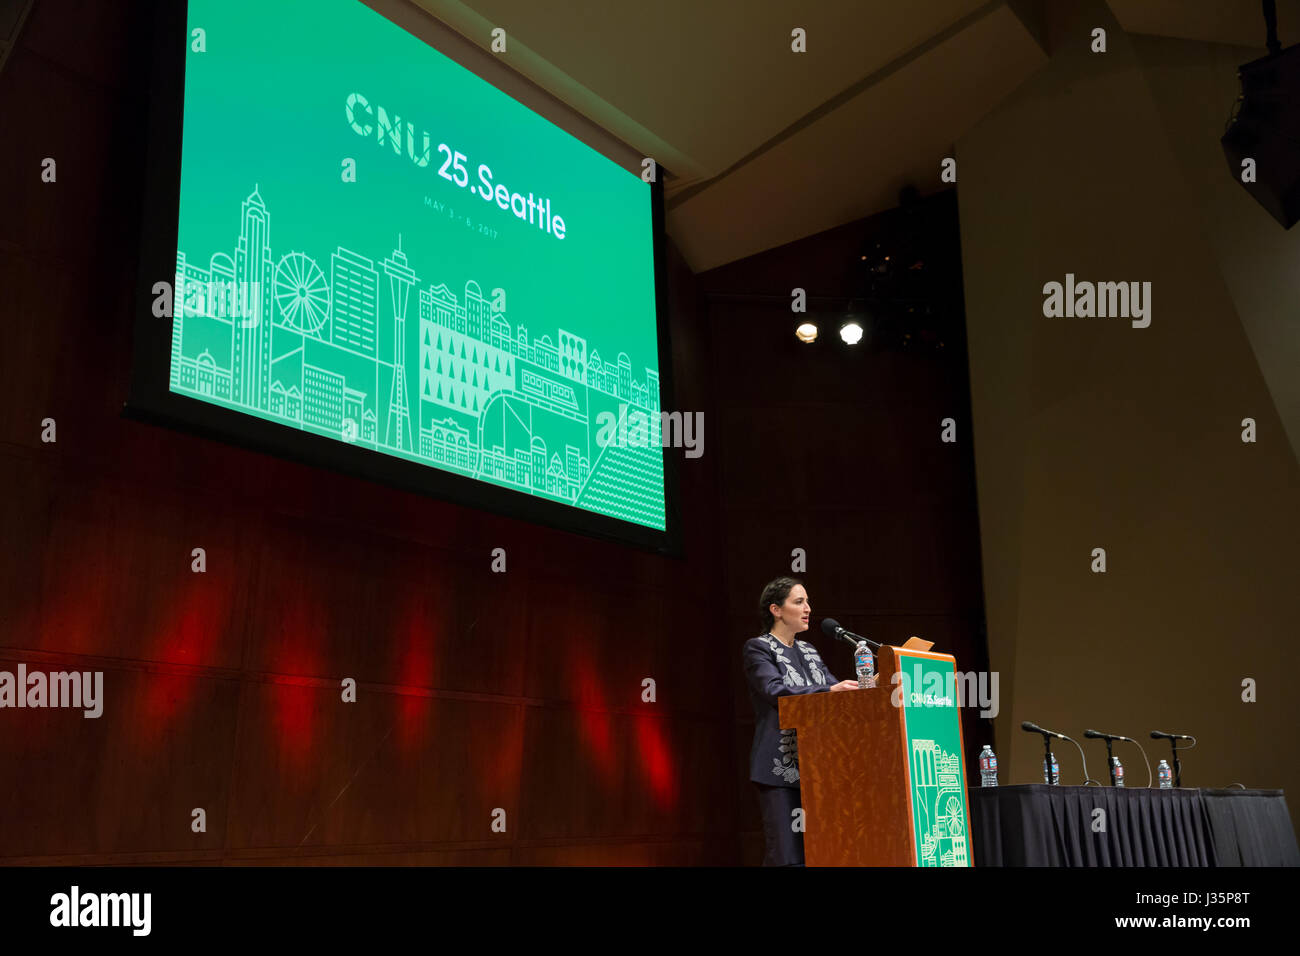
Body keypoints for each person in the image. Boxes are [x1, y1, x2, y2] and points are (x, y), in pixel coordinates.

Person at [742, 576, 859, 866]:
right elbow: (774, 691)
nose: (808, 608)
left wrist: (866, 689)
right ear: (776, 610)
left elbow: (833, 690)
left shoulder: (809, 651)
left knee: (822, 854)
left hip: (819, 769)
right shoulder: (758, 648)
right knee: (787, 857)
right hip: (780, 767)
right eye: (799, 602)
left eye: (807, 601)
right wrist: (829, 691)